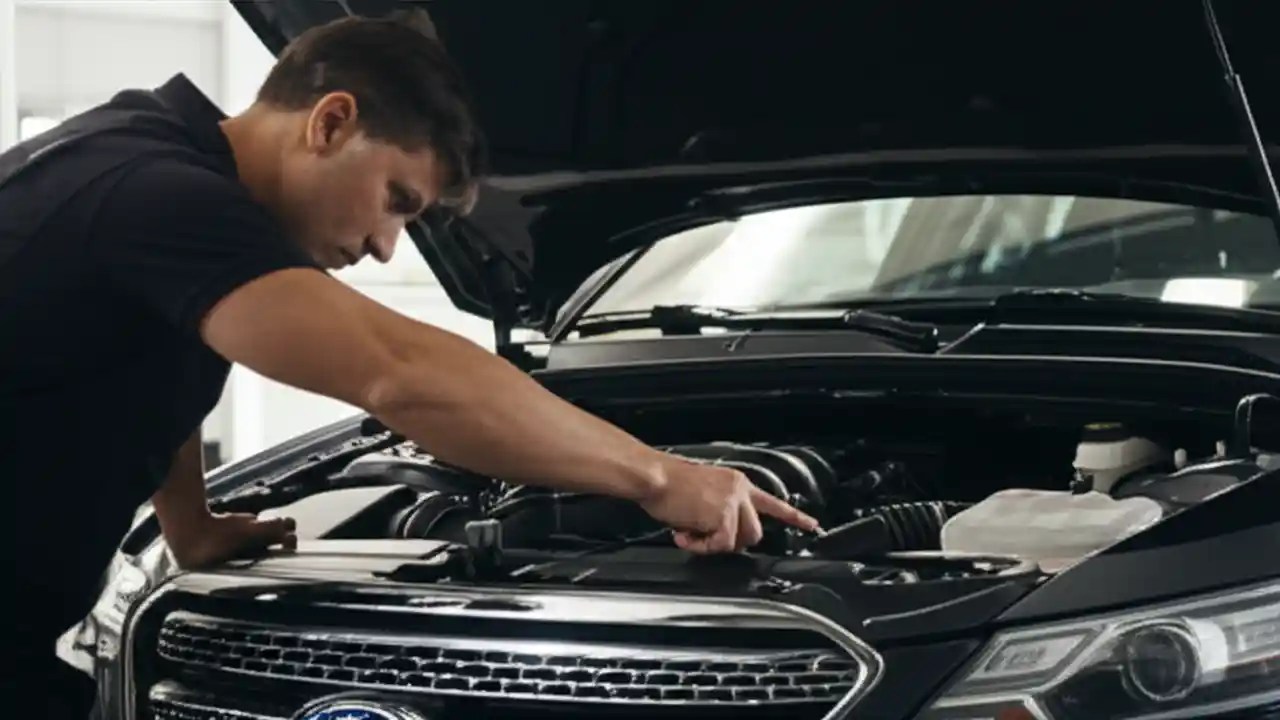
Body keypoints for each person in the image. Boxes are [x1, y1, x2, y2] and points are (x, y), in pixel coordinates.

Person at [0, 10, 818, 717]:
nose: (388, 245)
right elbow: (400, 372)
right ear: (329, 122)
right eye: (399, 200)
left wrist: (191, 523)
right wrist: (663, 479)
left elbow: (153, 347)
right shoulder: (156, 196)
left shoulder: (138, 160)